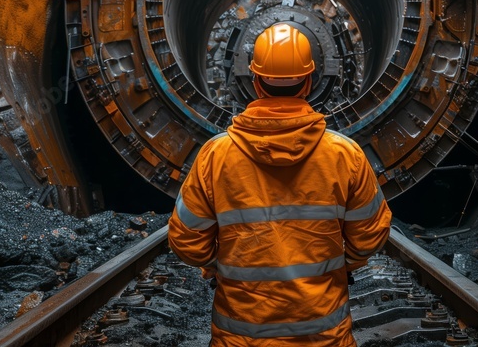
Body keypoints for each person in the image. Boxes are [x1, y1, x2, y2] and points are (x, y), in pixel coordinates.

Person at [168, 23, 392, 346]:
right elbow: (370, 238)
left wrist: (220, 266)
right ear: (309, 83)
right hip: (323, 338)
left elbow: (185, 241)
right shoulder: (345, 155)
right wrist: (338, 265)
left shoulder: (215, 157)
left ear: (256, 83)